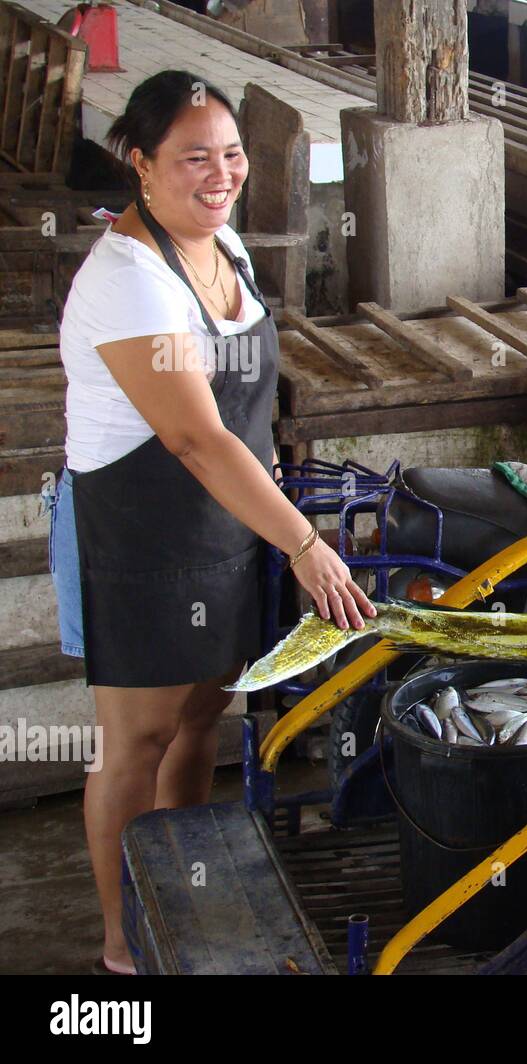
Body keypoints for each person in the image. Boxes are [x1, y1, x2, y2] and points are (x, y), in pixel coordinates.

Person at [49, 70, 375, 974]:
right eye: (193, 157)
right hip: (141, 534)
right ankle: (125, 945)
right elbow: (194, 436)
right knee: (135, 743)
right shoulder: (127, 278)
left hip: (226, 529)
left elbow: (243, 414)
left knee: (200, 723)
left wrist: (278, 509)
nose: (220, 174)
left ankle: (178, 898)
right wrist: (305, 546)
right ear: (139, 164)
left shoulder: (223, 247)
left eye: (230, 154)